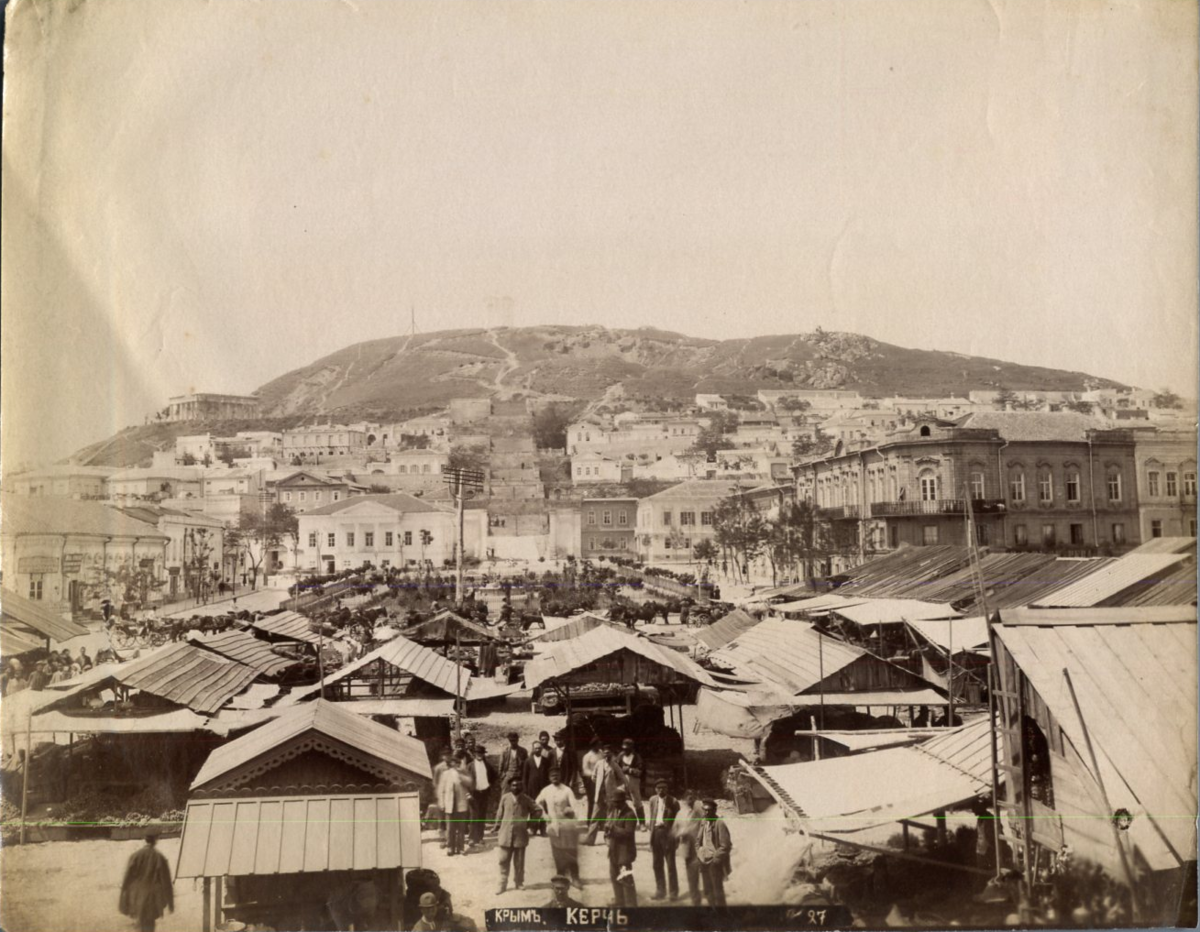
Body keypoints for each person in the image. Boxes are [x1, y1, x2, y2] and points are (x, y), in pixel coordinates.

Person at [491, 778, 540, 895]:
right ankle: (502, 884)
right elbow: (499, 812)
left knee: (519, 862)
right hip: (505, 834)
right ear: (510, 787)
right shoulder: (505, 798)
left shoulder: (526, 799)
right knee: (503, 860)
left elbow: (538, 810)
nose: (516, 787)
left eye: (518, 785)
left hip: (520, 836)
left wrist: (530, 823)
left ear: (521, 786)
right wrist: (497, 825)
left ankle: (519, 882)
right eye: (513, 785)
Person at [536, 768, 582, 887]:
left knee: (571, 852)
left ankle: (575, 877)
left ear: (560, 776)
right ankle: (560, 876)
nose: (555, 777)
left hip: (567, 825)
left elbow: (575, 806)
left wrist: (571, 811)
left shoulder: (567, 790)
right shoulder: (546, 790)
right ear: (549, 777)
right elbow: (537, 803)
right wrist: (545, 816)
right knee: (557, 853)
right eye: (552, 775)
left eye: (557, 775)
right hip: (553, 825)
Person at [119, 835, 174, 932]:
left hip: (136, 897)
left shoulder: (135, 856)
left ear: (144, 840)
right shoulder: (159, 857)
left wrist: (122, 900)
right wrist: (170, 903)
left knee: (140, 923)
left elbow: (126, 879)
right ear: (155, 841)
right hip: (151, 898)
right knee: (149, 925)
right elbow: (166, 882)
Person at [585, 745, 628, 845]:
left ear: (612, 754)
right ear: (602, 754)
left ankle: (608, 838)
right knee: (594, 817)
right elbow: (593, 777)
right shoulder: (599, 764)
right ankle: (590, 839)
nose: (606, 755)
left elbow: (623, 779)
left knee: (610, 818)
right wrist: (599, 785)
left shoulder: (615, 765)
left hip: (611, 796)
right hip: (599, 794)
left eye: (608, 753)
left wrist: (617, 789)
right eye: (604, 753)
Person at [604, 787, 639, 908]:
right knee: (614, 877)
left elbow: (629, 833)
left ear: (623, 801)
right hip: (613, 850)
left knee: (626, 879)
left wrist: (613, 828)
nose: (614, 804)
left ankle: (631, 905)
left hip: (624, 852)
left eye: (617, 802)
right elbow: (609, 825)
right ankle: (620, 901)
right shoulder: (614, 811)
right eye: (614, 801)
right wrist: (607, 833)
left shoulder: (630, 814)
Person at [647, 779, 681, 900]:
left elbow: (678, 822)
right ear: (655, 789)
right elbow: (652, 818)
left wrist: (676, 838)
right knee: (657, 864)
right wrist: (651, 836)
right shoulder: (652, 800)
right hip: (656, 833)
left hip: (668, 835)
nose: (661, 790)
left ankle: (673, 893)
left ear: (667, 789)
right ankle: (660, 891)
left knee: (670, 864)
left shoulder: (674, 801)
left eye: (664, 788)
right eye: (659, 788)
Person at [696, 799, 732, 908]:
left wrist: (716, 859)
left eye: (709, 810)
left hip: (714, 862)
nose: (706, 813)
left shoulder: (719, 823)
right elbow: (697, 841)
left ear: (714, 810)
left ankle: (722, 914)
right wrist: (699, 853)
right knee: (707, 890)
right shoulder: (703, 822)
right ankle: (712, 912)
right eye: (704, 810)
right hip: (703, 861)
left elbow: (725, 845)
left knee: (717, 890)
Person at [674, 789, 706, 906]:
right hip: (687, 847)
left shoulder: (701, 813)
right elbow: (675, 830)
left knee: (702, 872)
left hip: (700, 846)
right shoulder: (680, 814)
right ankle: (695, 899)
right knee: (692, 875)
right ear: (684, 800)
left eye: (692, 797)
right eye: (688, 797)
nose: (690, 799)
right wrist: (681, 834)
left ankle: (701, 895)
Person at [440, 753, 472, 856]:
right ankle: (450, 848)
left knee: (461, 828)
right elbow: (441, 790)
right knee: (450, 828)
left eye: (457, 762)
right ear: (450, 764)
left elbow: (469, 784)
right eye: (453, 762)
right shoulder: (445, 774)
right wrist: (442, 803)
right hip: (449, 804)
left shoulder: (464, 773)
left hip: (461, 804)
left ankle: (461, 848)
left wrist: (460, 774)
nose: (456, 764)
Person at [469, 744, 497, 848]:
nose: (479, 755)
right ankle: (472, 838)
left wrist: (489, 785)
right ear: (474, 754)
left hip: (484, 793)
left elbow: (494, 776)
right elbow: (465, 781)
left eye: (481, 753)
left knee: (481, 816)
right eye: (477, 753)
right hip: (474, 794)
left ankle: (480, 838)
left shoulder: (487, 765)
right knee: (473, 817)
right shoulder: (470, 766)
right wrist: (468, 793)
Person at [522, 741, 552, 834]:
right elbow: (525, 777)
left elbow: (548, 775)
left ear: (542, 749)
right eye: (536, 748)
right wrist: (525, 789)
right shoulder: (528, 761)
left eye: (539, 748)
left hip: (543, 788)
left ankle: (543, 829)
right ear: (533, 749)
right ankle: (533, 828)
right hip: (532, 788)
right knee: (533, 808)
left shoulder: (546, 761)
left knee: (544, 807)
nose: (537, 750)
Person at [617, 738, 646, 826]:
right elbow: (616, 766)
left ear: (631, 748)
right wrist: (620, 770)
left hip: (633, 780)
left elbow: (640, 772)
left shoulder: (636, 757)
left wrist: (629, 770)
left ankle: (642, 823)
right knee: (618, 798)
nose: (625, 751)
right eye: (624, 749)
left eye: (627, 749)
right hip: (622, 780)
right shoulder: (621, 756)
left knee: (637, 801)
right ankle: (619, 822)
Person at [432, 748, 454, 846]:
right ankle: (442, 839)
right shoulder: (438, 768)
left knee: (451, 816)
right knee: (442, 818)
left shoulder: (454, 766)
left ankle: (451, 839)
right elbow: (435, 782)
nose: (448, 757)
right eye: (445, 755)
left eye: (449, 754)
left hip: (452, 794)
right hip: (442, 794)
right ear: (442, 757)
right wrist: (439, 795)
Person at [581, 739, 602, 820]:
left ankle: (601, 822)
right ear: (593, 745)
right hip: (591, 782)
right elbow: (585, 770)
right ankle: (591, 821)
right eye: (597, 744)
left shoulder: (601, 753)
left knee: (601, 801)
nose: (599, 746)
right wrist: (594, 774)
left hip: (601, 780)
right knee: (592, 801)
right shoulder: (587, 756)